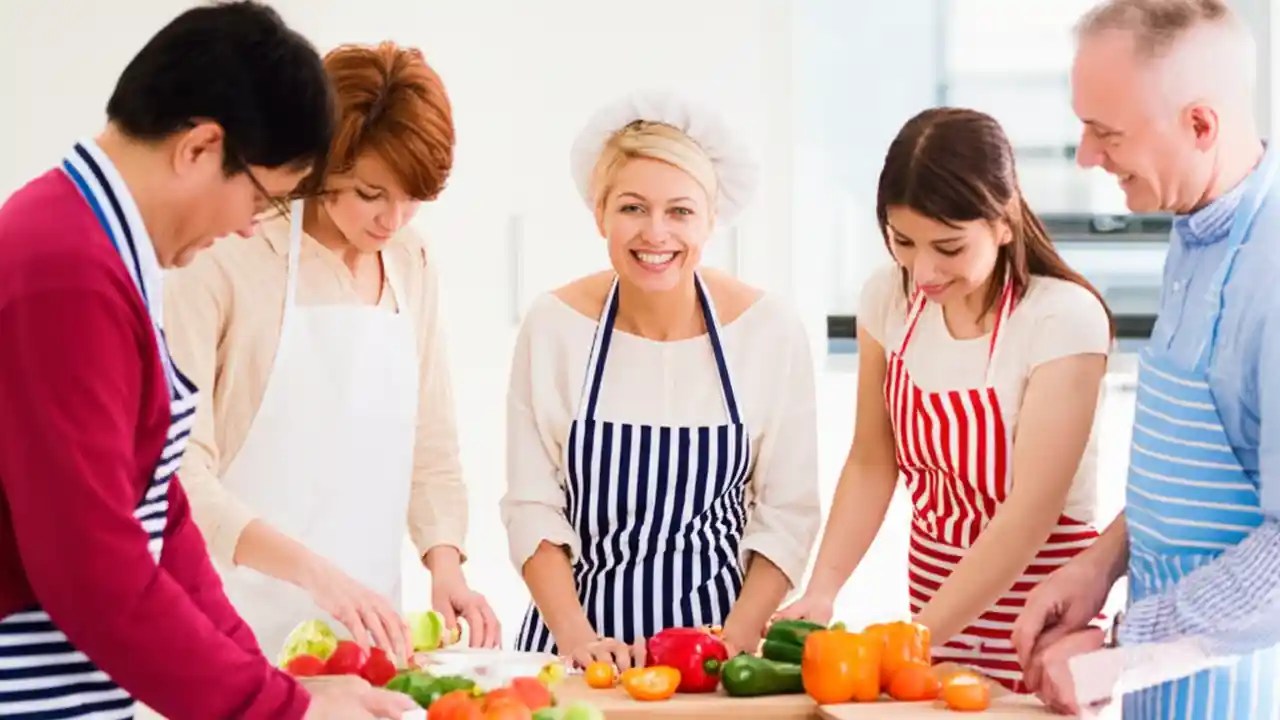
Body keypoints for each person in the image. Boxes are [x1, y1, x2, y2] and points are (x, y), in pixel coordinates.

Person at [0, 3, 415, 719]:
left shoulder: (98, 251)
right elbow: (91, 569)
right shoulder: (64, 270)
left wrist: (277, 691)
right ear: (199, 148)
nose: (249, 225)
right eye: (260, 196)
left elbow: (161, 518)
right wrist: (284, 710)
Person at [165, 40, 499, 662]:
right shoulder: (227, 259)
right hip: (224, 627)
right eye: (371, 193)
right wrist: (315, 576)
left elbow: (432, 442)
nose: (392, 220)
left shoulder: (410, 260)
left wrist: (444, 562)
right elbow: (180, 476)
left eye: (413, 196)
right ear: (322, 163)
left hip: (363, 639)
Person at [776, 107, 1114, 693]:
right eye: (902, 240)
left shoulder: (1062, 318)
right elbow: (871, 459)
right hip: (932, 598)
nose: (923, 269)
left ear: (1003, 222)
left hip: (1042, 617)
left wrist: (910, 640)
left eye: (949, 248)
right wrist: (823, 588)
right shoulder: (889, 295)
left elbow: (1030, 514)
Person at [1011, 2, 1280, 717]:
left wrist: (1122, 644)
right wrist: (1100, 564)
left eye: (1107, 133)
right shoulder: (1195, 230)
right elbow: (1207, 476)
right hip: (1157, 688)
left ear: (1200, 125)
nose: (1086, 157)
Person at [500, 91, 820, 669]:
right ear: (598, 212)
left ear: (710, 219)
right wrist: (577, 640)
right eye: (631, 208)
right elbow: (531, 506)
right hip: (573, 654)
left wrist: (732, 642)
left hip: (719, 652)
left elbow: (787, 513)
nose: (655, 233)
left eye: (680, 211)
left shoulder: (767, 331)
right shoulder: (554, 326)